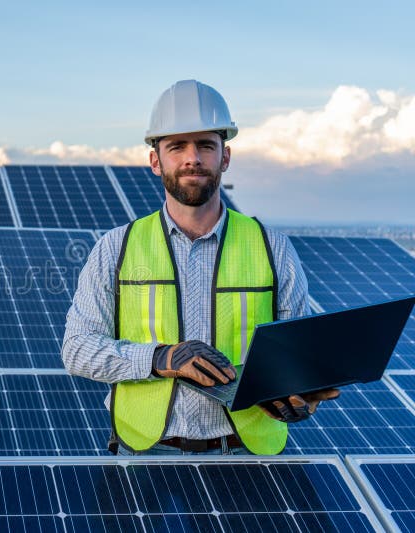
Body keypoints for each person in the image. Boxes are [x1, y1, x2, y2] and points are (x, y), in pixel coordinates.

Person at [62, 79, 339, 455]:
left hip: (247, 452)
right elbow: (77, 349)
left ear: (224, 157)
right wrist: (160, 358)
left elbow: (295, 355)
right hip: (146, 453)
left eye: (206, 145)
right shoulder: (116, 248)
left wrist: (299, 395)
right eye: (177, 146)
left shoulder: (272, 247)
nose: (193, 157)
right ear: (156, 161)